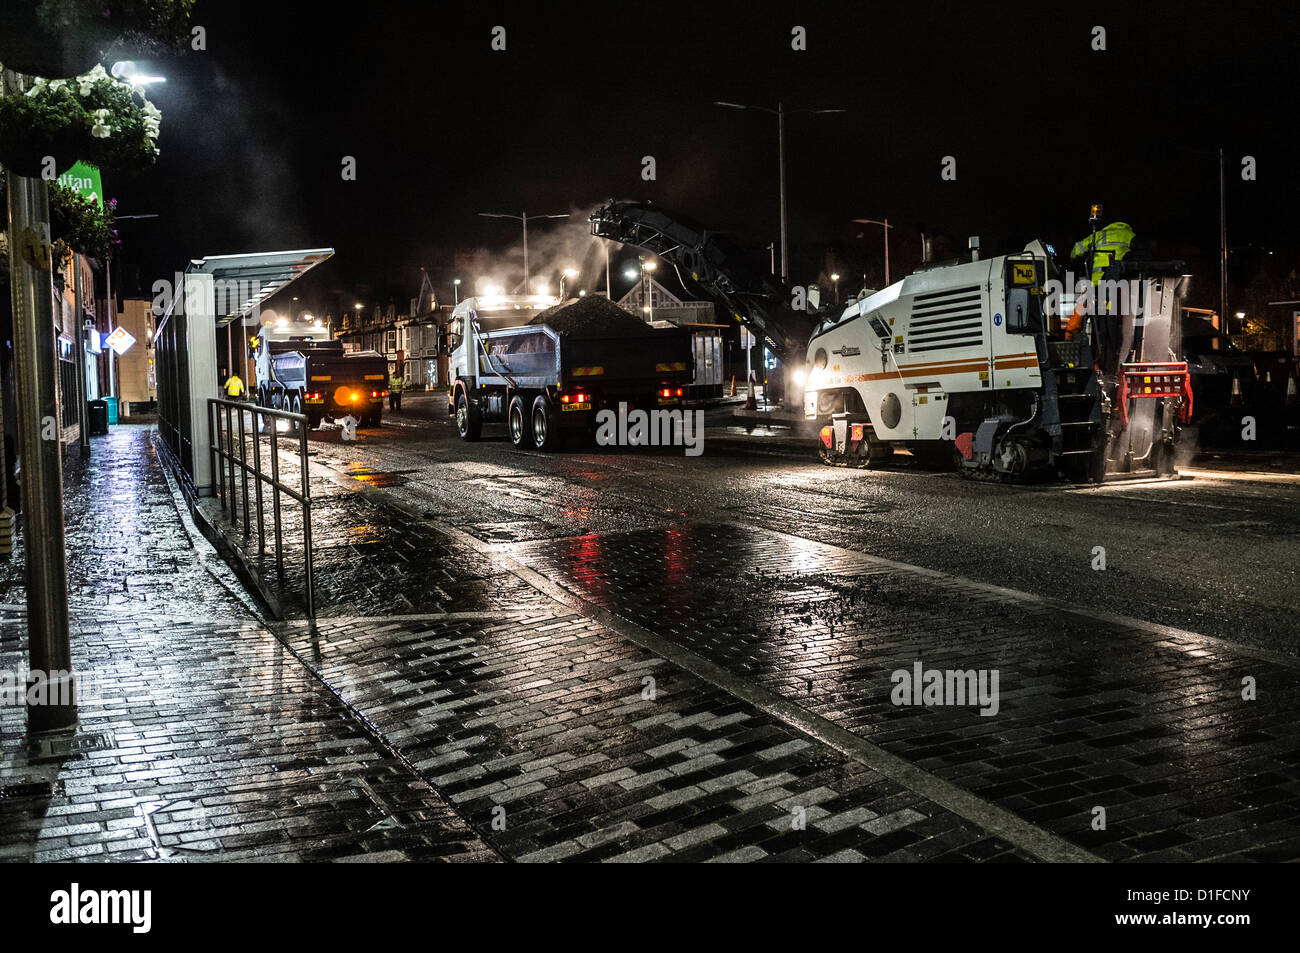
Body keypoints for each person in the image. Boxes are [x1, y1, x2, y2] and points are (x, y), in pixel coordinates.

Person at [1064, 218, 1135, 341]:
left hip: (1096, 284)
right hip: (1121, 284)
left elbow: (1076, 250)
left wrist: (1072, 260)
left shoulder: (1099, 235)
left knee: (1080, 311)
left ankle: (1069, 339)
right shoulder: (1131, 236)